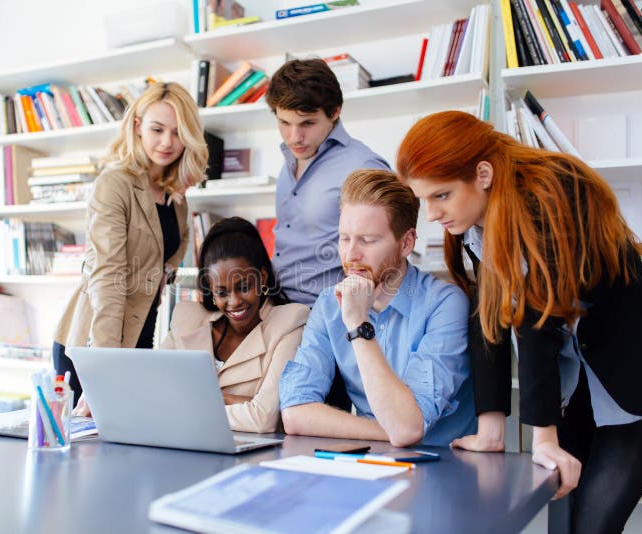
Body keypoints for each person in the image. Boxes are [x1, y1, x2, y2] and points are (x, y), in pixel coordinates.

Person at [397, 110, 642, 532]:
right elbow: (490, 320)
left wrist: (542, 437)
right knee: (558, 521)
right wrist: (490, 429)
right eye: (423, 200)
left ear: (482, 174)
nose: (430, 214)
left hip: (634, 381)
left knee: (592, 526)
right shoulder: (475, 224)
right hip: (578, 387)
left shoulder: (554, 194)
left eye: (441, 196)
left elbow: (536, 318)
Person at [278, 169, 476, 446]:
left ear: (406, 242)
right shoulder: (329, 304)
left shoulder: (444, 304)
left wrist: (359, 326)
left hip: (446, 466)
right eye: (344, 238)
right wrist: (389, 433)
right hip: (376, 459)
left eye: (368, 240)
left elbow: (408, 428)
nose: (350, 255)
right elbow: (295, 412)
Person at [52, 82, 208, 407]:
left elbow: (170, 257)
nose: (167, 142)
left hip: (140, 337)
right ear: (137, 126)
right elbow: (107, 277)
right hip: (96, 343)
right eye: (157, 129)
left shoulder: (176, 197)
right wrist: (104, 367)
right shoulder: (114, 184)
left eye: (178, 133)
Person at [160, 217, 309, 433]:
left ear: (262, 277)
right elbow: (156, 396)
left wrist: (189, 406)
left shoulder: (289, 322)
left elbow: (264, 418)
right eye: (221, 292)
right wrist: (238, 402)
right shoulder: (186, 318)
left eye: (244, 287)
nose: (234, 301)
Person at [266, 58, 390, 307]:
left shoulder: (363, 166)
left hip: (324, 310)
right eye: (284, 123)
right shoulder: (291, 158)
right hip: (274, 302)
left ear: (334, 112)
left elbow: (384, 255)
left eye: (307, 123)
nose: (294, 137)